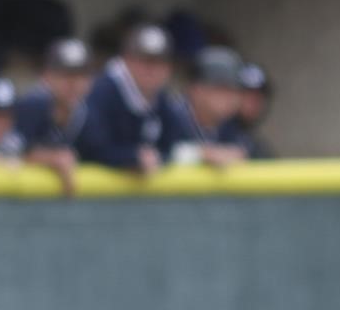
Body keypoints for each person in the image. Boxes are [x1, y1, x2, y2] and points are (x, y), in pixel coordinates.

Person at [74, 24, 192, 175]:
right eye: (145, 61)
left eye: (160, 62)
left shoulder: (162, 99)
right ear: (127, 60)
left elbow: (173, 146)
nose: (152, 69)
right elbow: (90, 148)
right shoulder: (100, 92)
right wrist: (132, 157)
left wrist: (156, 157)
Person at [17, 37, 93, 194]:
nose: (74, 83)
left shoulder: (86, 111)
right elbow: (7, 154)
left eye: (81, 75)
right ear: (47, 76)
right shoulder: (32, 105)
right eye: (65, 75)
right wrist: (50, 158)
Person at [168, 46, 250, 167]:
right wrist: (202, 154)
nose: (231, 97)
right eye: (222, 89)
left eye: (235, 90)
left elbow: (243, 153)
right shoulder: (169, 115)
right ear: (196, 89)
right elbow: (158, 152)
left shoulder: (230, 125)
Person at [234, 61, 276, 159]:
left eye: (258, 98)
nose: (252, 104)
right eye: (246, 96)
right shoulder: (215, 131)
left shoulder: (253, 144)